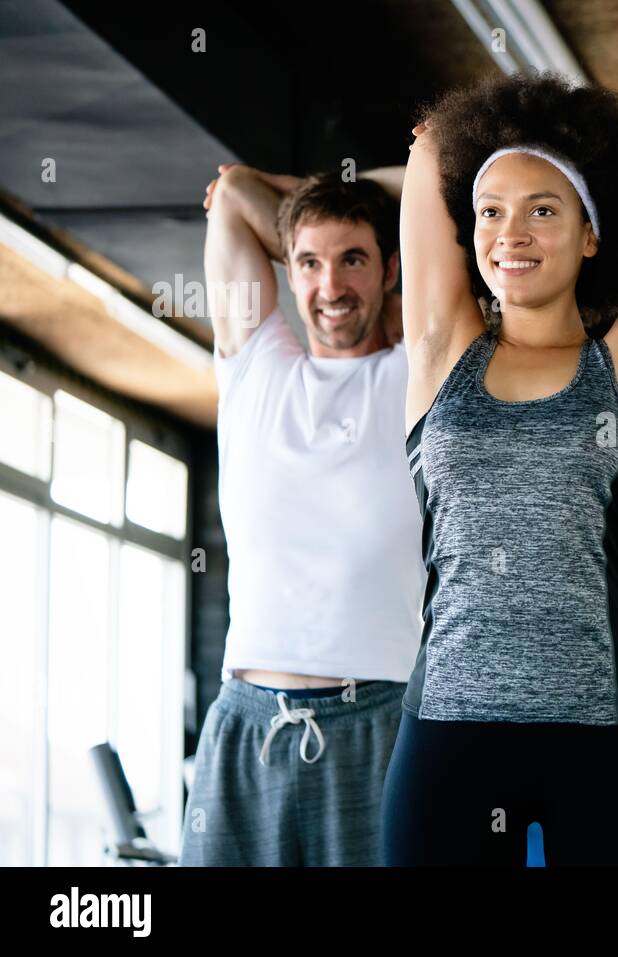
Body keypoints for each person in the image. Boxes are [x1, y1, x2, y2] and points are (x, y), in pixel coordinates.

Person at [380, 71, 618, 866]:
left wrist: (583, 152)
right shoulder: (441, 354)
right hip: (448, 728)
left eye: (545, 210)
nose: (513, 232)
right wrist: (501, 153)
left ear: (590, 233)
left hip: (604, 733)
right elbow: (434, 144)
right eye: (491, 212)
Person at [180, 163, 423, 866]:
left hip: (376, 722)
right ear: (288, 270)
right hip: (245, 721)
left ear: (391, 271)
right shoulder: (256, 367)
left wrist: (331, 196)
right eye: (310, 262)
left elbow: (446, 175)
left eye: (354, 259)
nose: (332, 285)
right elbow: (228, 195)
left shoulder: (418, 374)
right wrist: (297, 193)